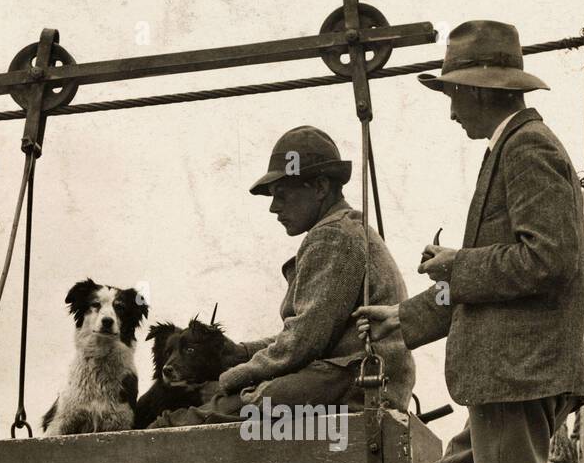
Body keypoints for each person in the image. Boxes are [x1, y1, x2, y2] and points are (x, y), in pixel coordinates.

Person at [356, 21, 584, 463]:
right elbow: (492, 276)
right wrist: (406, 317)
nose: (450, 107)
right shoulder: (506, 150)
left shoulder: (529, 151)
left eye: (454, 93)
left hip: (520, 376)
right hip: (501, 376)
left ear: (482, 91)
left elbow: (544, 260)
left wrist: (456, 262)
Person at [150, 125, 413, 426]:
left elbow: (303, 342)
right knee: (235, 401)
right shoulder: (348, 230)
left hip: (350, 384)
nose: (274, 208)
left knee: (221, 408)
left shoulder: (333, 236)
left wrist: (231, 376)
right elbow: (309, 333)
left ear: (319, 187)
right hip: (358, 379)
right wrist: (242, 353)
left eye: (282, 195)